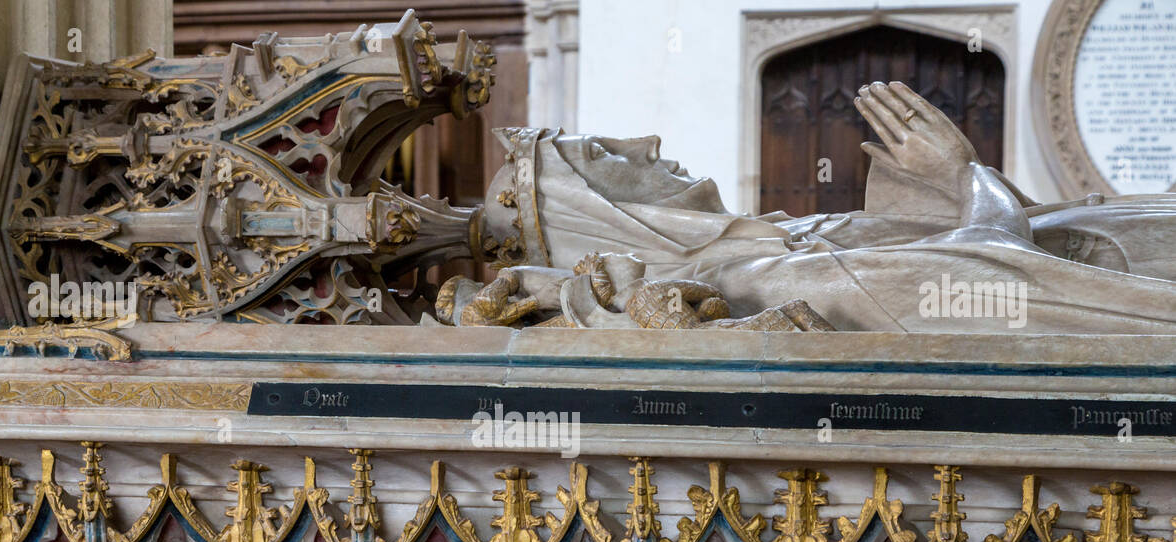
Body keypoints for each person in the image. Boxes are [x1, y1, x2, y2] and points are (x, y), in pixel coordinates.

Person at [469, 81, 1176, 333]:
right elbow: (985, 282)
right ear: (598, 217)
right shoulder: (755, 283)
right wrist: (963, 173)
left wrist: (934, 193)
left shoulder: (779, 238)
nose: (643, 140)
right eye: (602, 155)